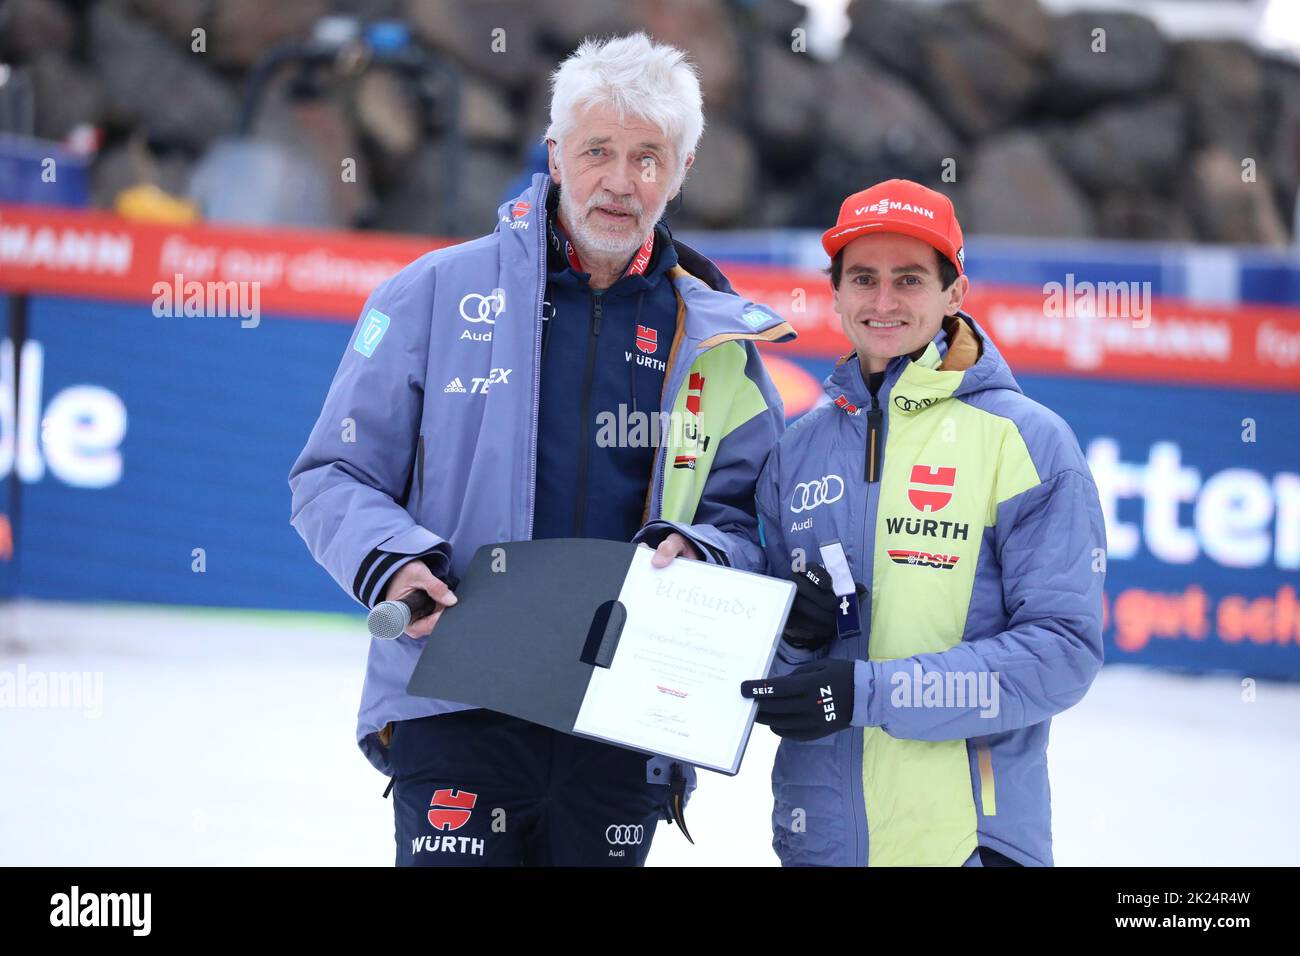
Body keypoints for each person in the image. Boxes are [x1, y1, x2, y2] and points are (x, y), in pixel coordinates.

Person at [288, 32, 794, 867]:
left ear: (684, 167)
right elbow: (331, 474)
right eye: (598, 150)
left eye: (647, 157)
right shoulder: (434, 293)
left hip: (625, 725)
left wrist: (702, 547)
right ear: (556, 154)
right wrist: (395, 563)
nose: (621, 181)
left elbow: (750, 517)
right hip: (454, 700)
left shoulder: (717, 340)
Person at [740, 179, 1105, 867]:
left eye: (909, 279)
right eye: (863, 279)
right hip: (819, 845)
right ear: (837, 292)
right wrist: (793, 635)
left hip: (971, 846)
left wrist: (867, 694)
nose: (883, 302)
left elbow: (1062, 654)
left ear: (954, 294)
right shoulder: (796, 452)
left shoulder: (1026, 441)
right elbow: (766, 672)